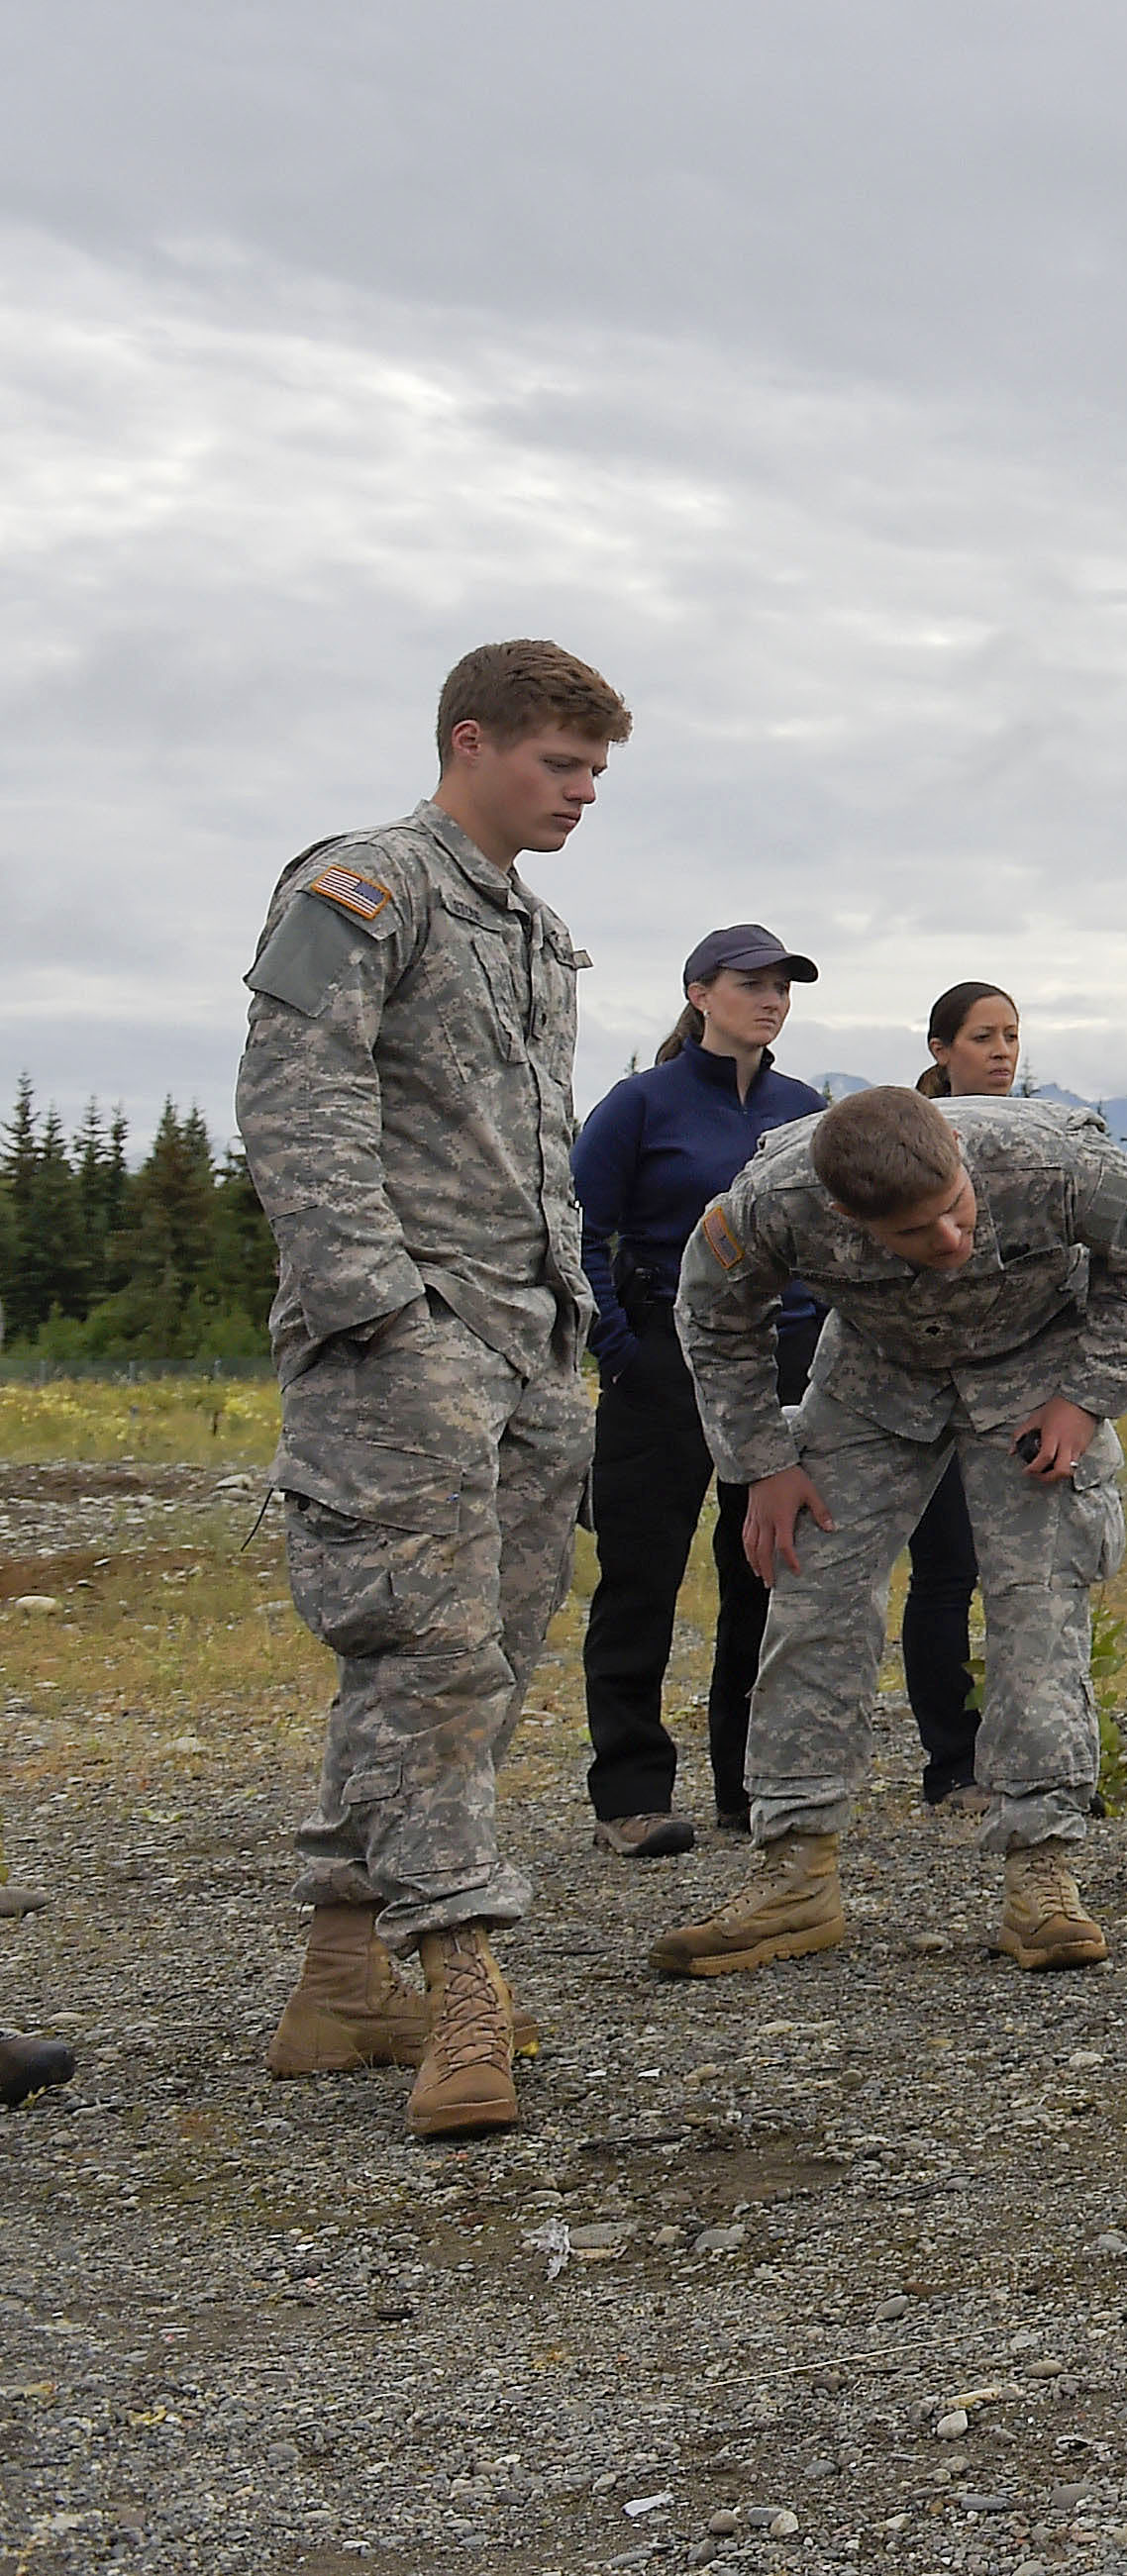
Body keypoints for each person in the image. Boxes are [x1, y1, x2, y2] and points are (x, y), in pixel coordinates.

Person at [236, 636, 631, 2141]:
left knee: (472, 1666)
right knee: (432, 1655)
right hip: (405, 1347)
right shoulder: (364, 885)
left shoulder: (534, 929)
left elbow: (532, 1145)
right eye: (558, 763)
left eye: (595, 770)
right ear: (471, 742)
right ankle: (463, 1982)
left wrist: (561, 1321)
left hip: (528, 1347)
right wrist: (385, 1317)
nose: (582, 792)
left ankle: (340, 1973)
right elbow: (295, 1102)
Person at [645, 1087, 1127, 1980]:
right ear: (846, 1216)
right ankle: (796, 1874)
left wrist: (1087, 1398)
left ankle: (1039, 1875)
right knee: (810, 1590)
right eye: (912, 1234)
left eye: (957, 1212)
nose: (948, 1243)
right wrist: (763, 1464)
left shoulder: (1056, 1168)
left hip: (1034, 1369)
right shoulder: (773, 1202)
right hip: (873, 1377)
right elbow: (712, 1315)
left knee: (1036, 1600)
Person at [570, 927, 827, 1859]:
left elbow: (839, 1234)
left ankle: (748, 1784)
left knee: (766, 1571)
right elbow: (578, 1229)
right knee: (640, 1575)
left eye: (783, 987)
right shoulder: (640, 1104)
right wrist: (618, 1344)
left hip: (783, 1366)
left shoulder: (804, 1112)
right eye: (751, 983)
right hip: (662, 1364)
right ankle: (631, 1795)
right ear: (699, 992)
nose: (771, 999)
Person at [892, 979, 1025, 1820]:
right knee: (946, 1575)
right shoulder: (903, 1140)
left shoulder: (1044, 1136)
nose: (1003, 1051)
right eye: (984, 1037)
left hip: (1019, 1385)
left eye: (1011, 1035)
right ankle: (952, 1764)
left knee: (1026, 1577)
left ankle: (1033, 1758)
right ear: (942, 1049)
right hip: (919, 1384)